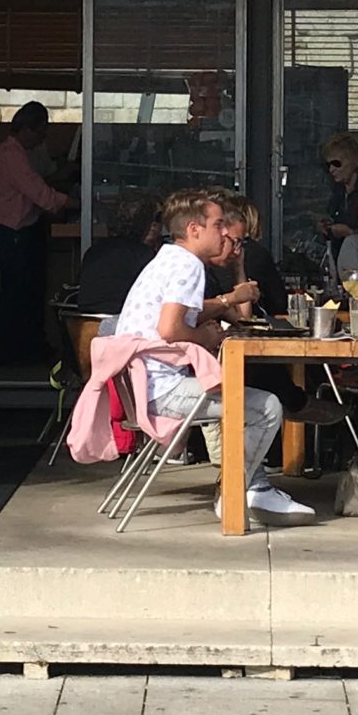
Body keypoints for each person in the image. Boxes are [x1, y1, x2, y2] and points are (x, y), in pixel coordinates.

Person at [112, 186, 309, 525]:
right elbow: (170, 328)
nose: (224, 232)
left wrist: (211, 316)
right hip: (165, 390)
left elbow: (172, 317)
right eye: (218, 225)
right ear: (194, 230)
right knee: (267, 407)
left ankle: (254, 486)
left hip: (141, 386)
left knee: (244, 394)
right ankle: (238, 490)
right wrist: (204, 335)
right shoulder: (189, 265)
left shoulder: (168, 257)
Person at [0, 101, 74, 365]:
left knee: (26, 294)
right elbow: (40, 194)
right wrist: (75, 202)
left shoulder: (11, 152)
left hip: (17, 231)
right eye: (41, 132)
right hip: (11, 233)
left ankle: (23, 351)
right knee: (17, 295)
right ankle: (9, 354)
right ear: (28, 130)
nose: (43, 138)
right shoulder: (12, 155)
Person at [73, 194, 159, 317]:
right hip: (122, 325)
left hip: (85, 326)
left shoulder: (94, 252)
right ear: (145, 224)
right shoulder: (144, 256)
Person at [315, 135, 358, 249]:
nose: (332, 169)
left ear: (354, 161)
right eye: (328, 165)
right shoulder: (337, 189)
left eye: (337, 163)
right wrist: (326, 225)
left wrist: (350, 233)